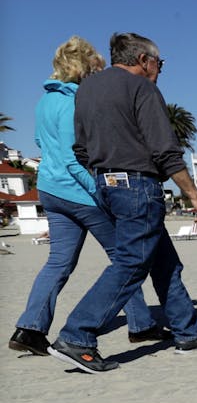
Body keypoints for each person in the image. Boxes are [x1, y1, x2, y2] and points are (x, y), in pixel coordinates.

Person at [47, 32, 197, 373]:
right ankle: (77, 335)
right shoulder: (143, 89)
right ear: (144, 60)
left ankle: (188, 332)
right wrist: (195, 195)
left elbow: (81, 150)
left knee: (163, 261)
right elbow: (165, 151)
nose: (160, 69)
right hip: (138, 186)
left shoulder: (87, 90)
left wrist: (107, 173)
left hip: (107, 185)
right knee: (130, 264)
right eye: (160, 62)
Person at [9, 37, 169, 357]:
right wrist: (100, 191)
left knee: (58, 263)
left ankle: (29, 329)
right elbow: (74, 159)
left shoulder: (45, 100)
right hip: (78, 193)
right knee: (126, 257)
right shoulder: (74, 101)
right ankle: (139, 325)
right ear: (84, 67)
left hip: (50, 190)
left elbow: (41, 140)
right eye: (95, 67)